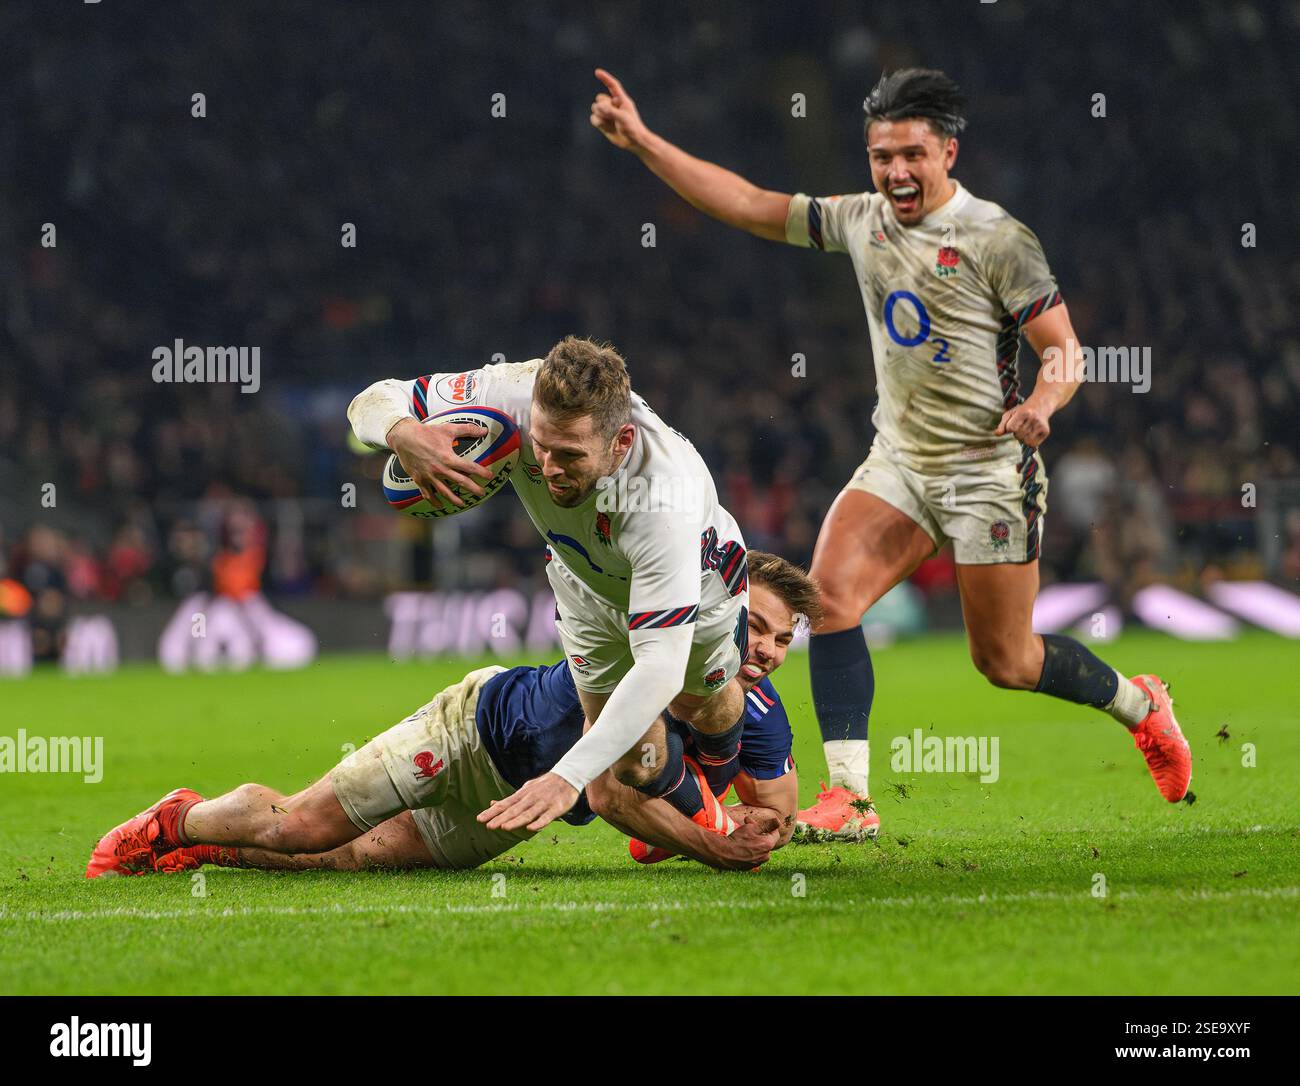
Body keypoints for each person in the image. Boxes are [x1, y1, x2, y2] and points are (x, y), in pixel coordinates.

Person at [590, 67, 1192, 836]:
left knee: (1005, 661)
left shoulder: (997, 238)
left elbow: (1064, 350)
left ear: (948, 151)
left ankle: (1141, 704)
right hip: (900, 460)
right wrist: (644, 143)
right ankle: (851, 798)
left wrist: (1042, 403)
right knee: (829, 600)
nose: (896, 172)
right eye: (881, 156)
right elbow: (746, 203)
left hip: (987, 468)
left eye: (912, 154)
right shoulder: (860, 219)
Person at [85, 552, 814, 876]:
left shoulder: (757, 709)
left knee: (340, 861)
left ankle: (205, 846)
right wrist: (711, 845)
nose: (770, 648)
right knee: (300, 829)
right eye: (758, 627)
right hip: (470, 731)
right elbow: (608, 792)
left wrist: (762, 830)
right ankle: (174, 818)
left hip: (508, 806)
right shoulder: (656, 644)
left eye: (785, 638)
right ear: (727, 608)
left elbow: (776, 808)